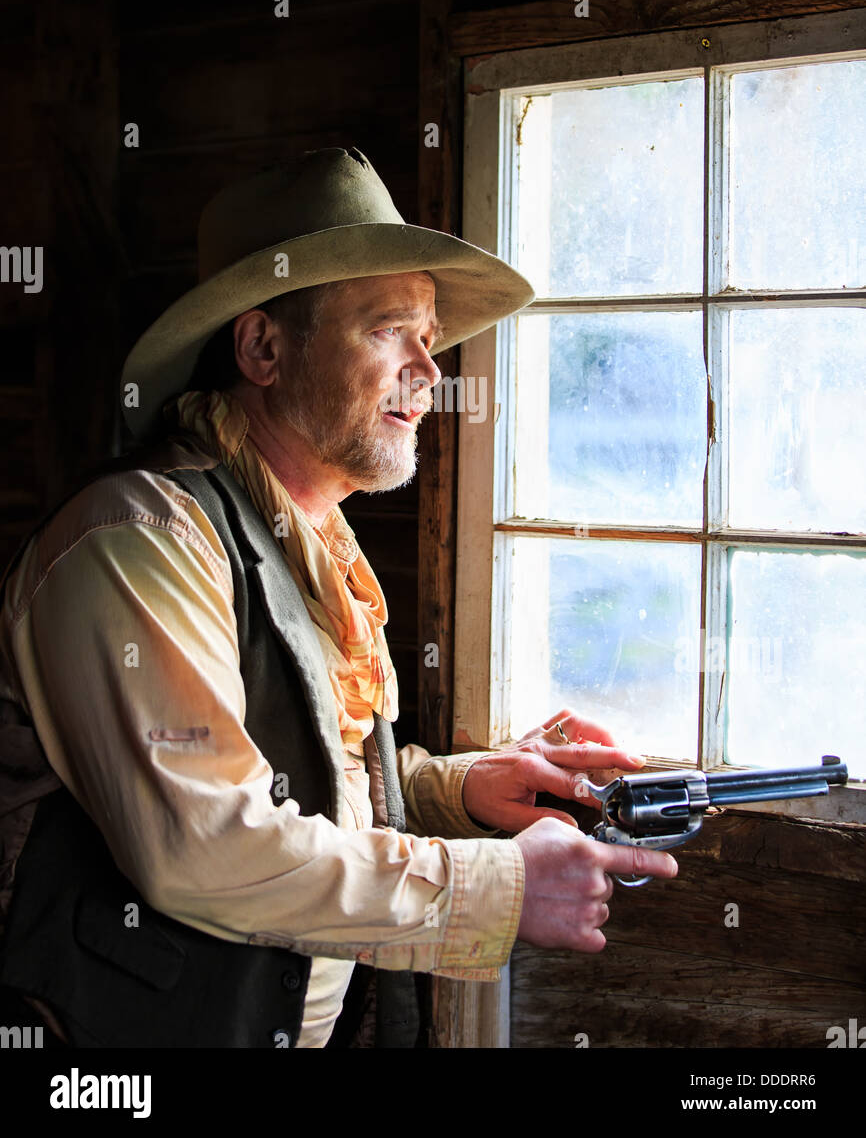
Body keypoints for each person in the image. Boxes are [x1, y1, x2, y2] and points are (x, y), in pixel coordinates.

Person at [0, 147, 676, 1049]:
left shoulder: (311, 543)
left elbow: (306, 779)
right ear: (264, 348)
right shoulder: (140, 540)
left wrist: (454, 792)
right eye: (390, 329)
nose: (430, 371)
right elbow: (207, 842)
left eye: (430, 336)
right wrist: (497, 886)